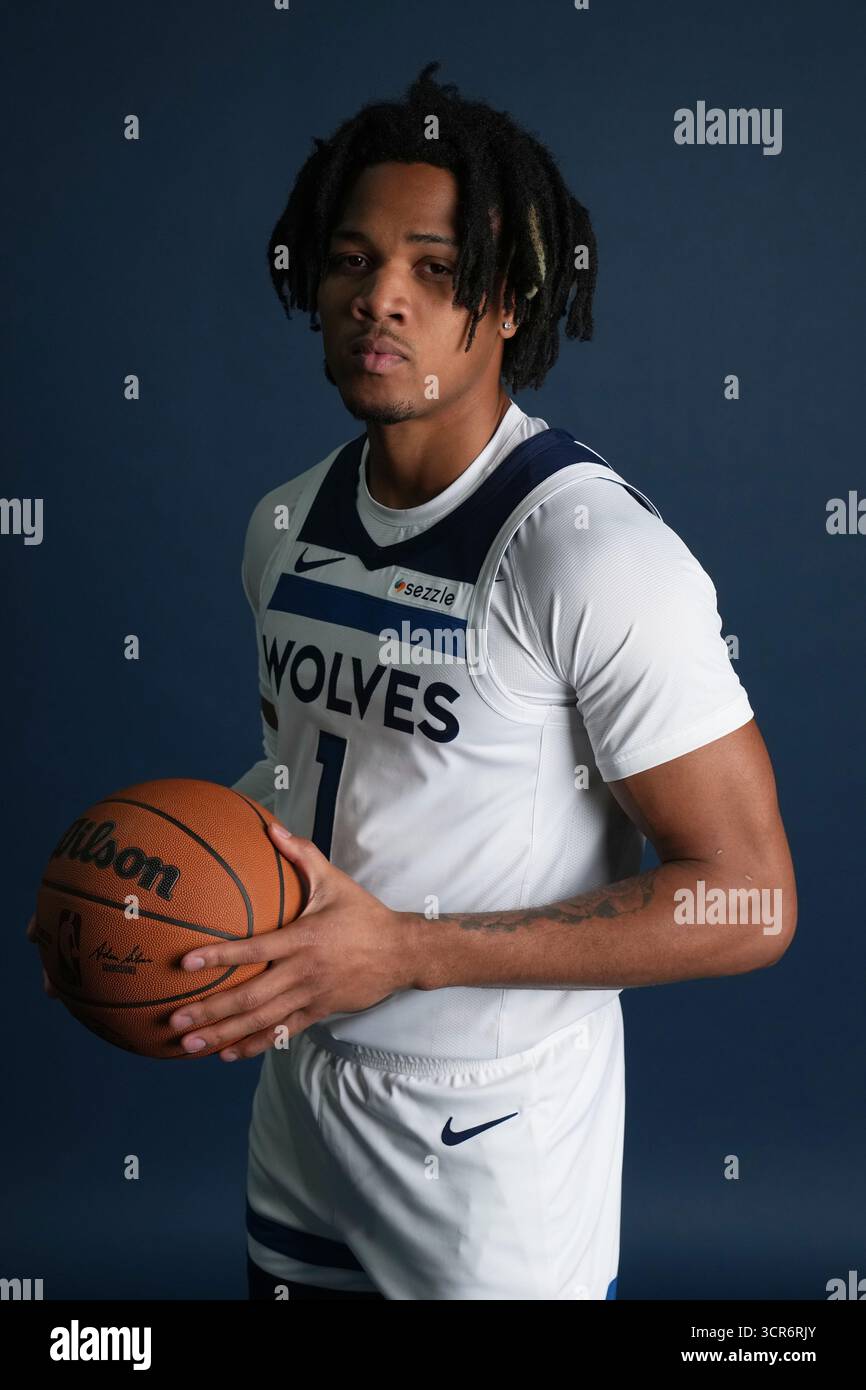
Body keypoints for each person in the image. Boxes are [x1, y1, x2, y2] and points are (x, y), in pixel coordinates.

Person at [30, 61, 797, 1301]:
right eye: (350, 261)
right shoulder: (286, 522)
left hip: (488, 1139)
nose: (380, 298)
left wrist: (403, 951)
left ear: (505, 301)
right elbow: (323, 783)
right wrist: (122, 894)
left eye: (434, 269)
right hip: (301, 1097)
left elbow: (751, 901)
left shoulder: (588, 554)